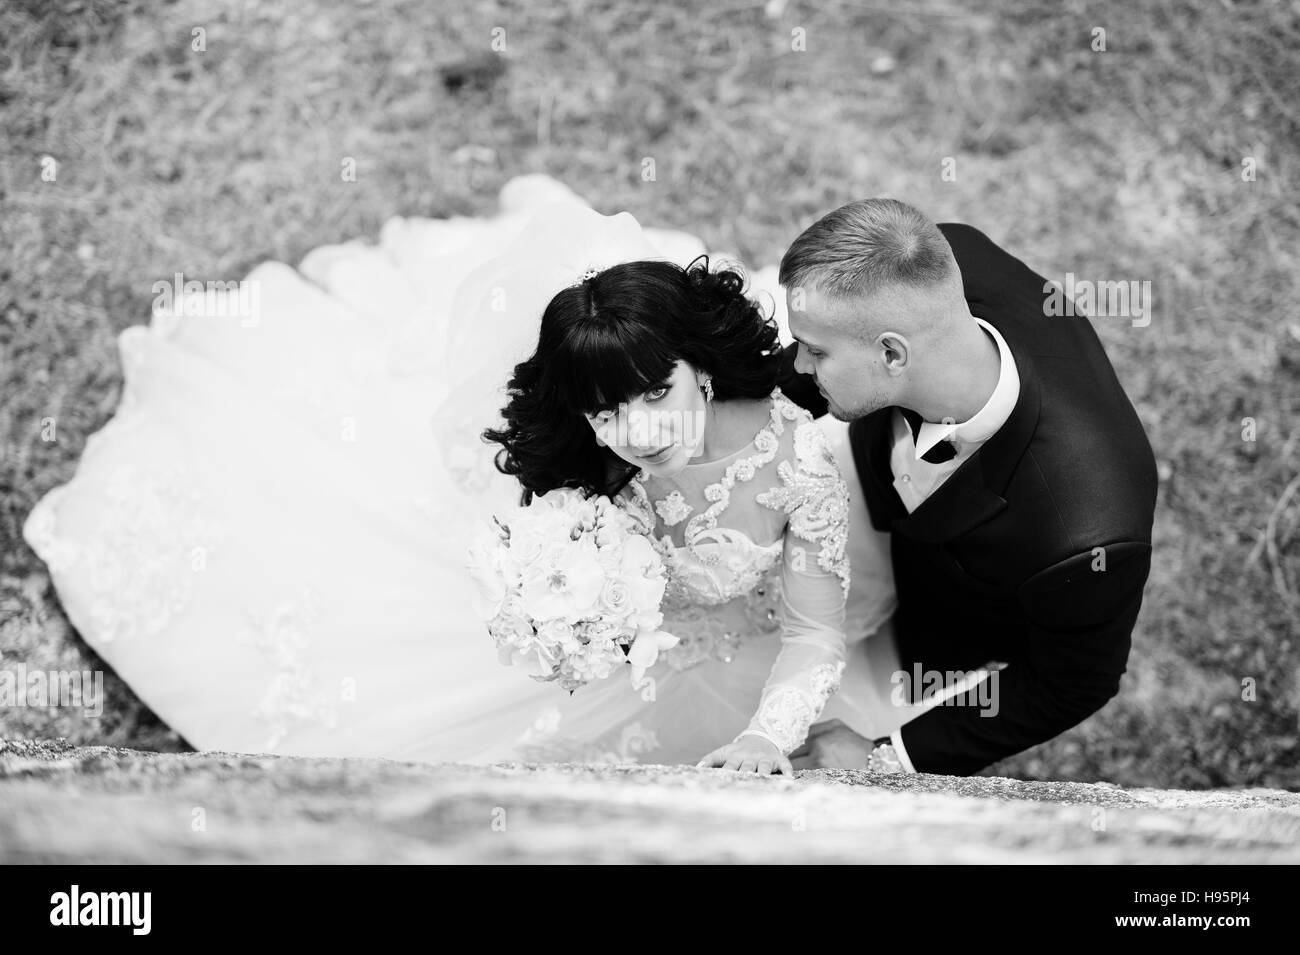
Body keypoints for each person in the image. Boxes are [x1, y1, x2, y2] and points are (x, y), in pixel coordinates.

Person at [22, 176, 897, 773]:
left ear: (700, 367)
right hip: (634, 662)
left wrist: (764, 737)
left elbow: (815, 635)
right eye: (604, 412)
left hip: (753, 655)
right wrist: (570, 610)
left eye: (652, 393)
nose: (635, 433)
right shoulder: (590, 448)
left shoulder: (797, 458)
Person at [774, 199, 1159, 776]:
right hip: (859, 492)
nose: (798, 365)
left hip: (933, 627)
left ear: (891, 354)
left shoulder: (1086, 536)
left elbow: (1073, 683)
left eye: (815, 352)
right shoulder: (939, 262)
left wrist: (888, 757)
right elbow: (807, 373)